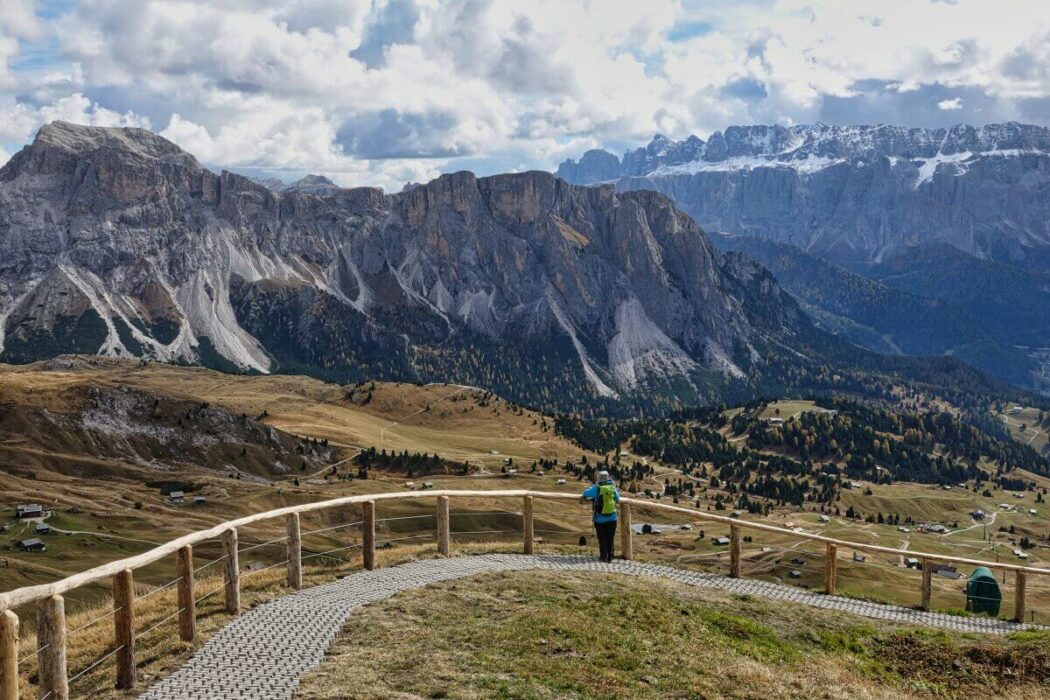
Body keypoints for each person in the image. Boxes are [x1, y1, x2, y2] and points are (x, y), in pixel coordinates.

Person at [582, 470, 620, 562]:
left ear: (599, 478)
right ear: (607, 478)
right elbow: (617, 499)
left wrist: (594, 486)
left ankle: (603, 557)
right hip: (612, 518)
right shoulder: (612, 487)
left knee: (602, 538)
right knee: (610, 537)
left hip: (600, 519)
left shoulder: (597, 488)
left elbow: (585, 493)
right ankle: (610, 558)